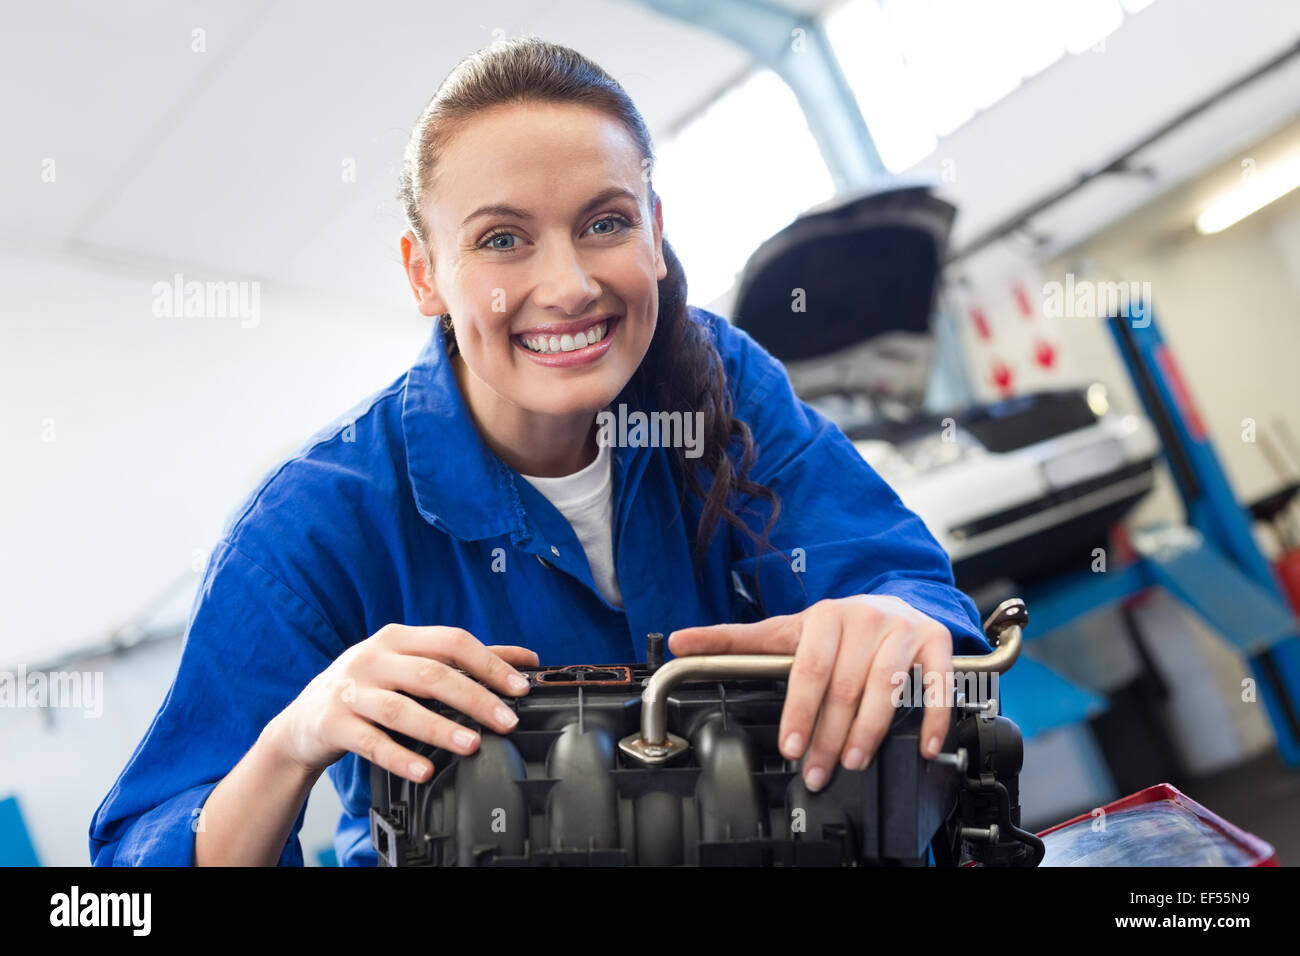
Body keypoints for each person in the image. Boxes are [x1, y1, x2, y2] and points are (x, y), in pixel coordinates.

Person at [89, 36, 990, 867]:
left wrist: (898, 623)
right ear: (423, 273)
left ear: (656, 230)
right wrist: (296, 737)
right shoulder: (315, 527)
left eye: (604, 223)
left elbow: (915, 598)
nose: (567, 286)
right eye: (502, 241)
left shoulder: (725, 383)